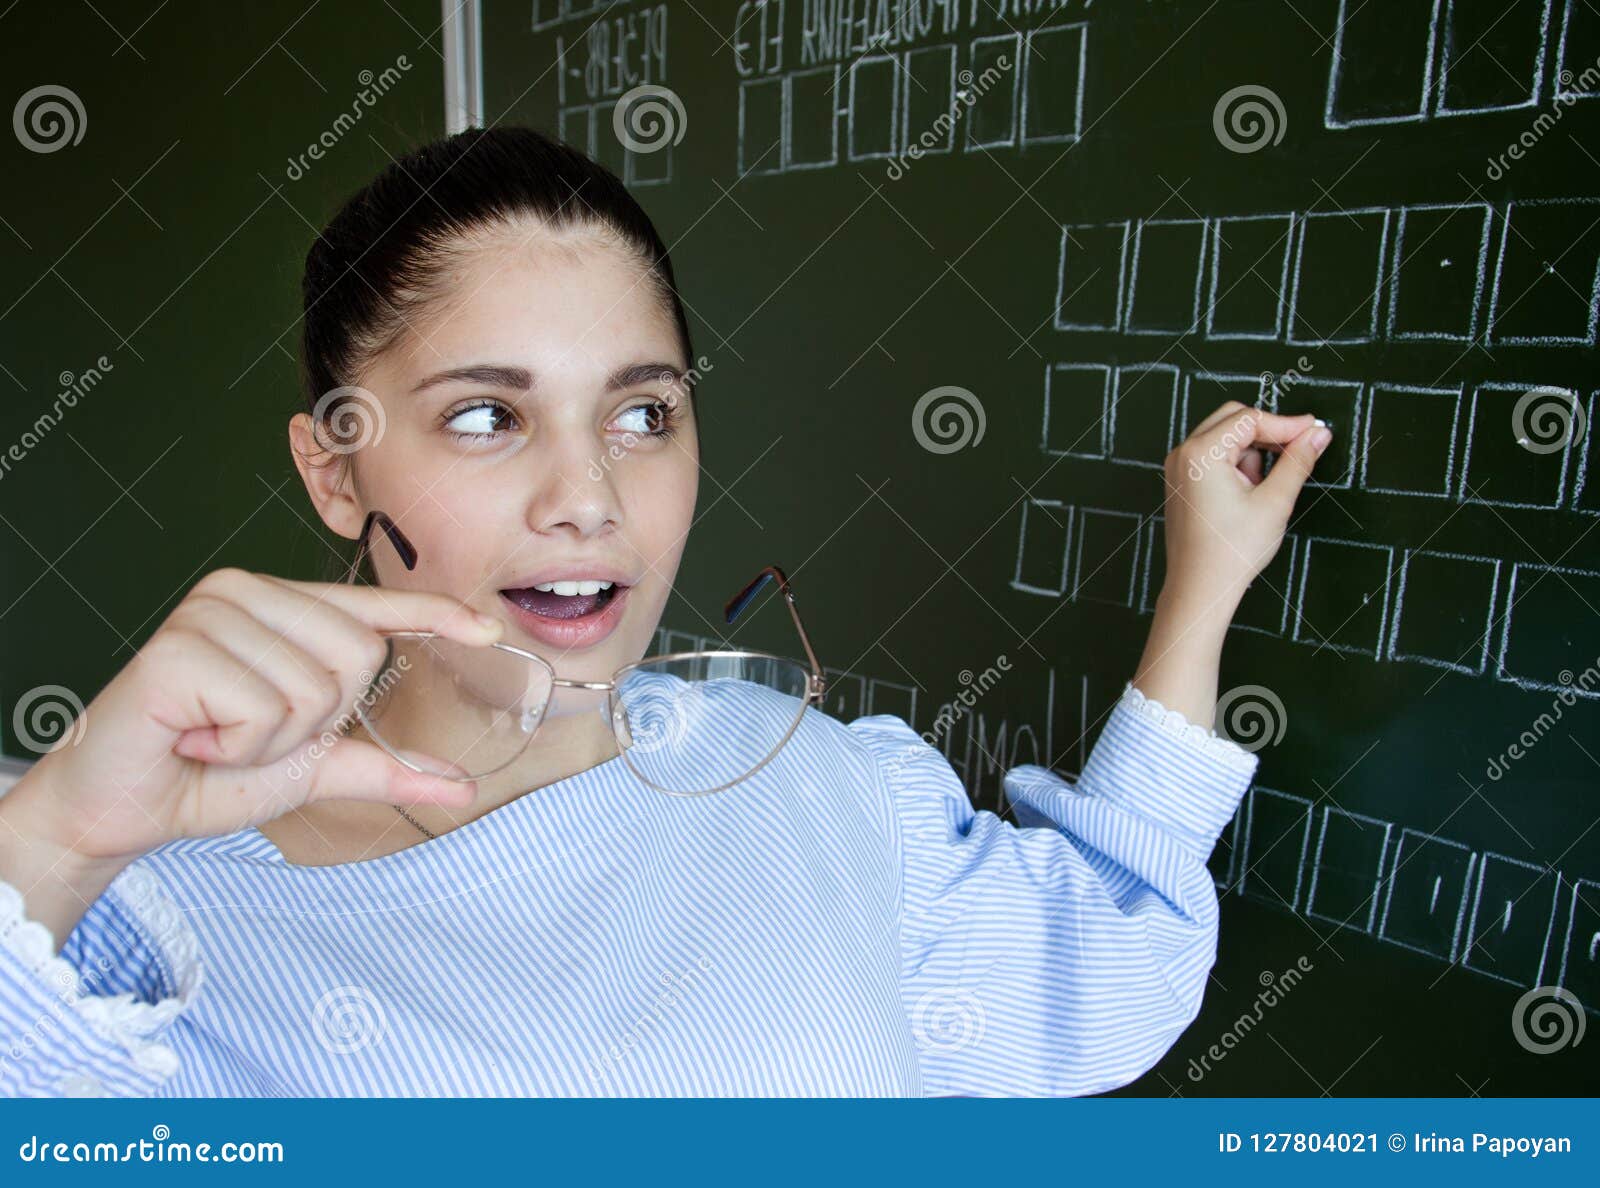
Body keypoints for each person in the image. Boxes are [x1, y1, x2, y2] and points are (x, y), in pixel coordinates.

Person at [0, 126, 1331, 1097]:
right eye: (485, 416)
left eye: (642, 413)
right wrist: (60, 836)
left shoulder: (814, 778)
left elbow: (1096, 968)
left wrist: (1201, 589)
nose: (589, 497)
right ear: (336, 468)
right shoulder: (134, 907)